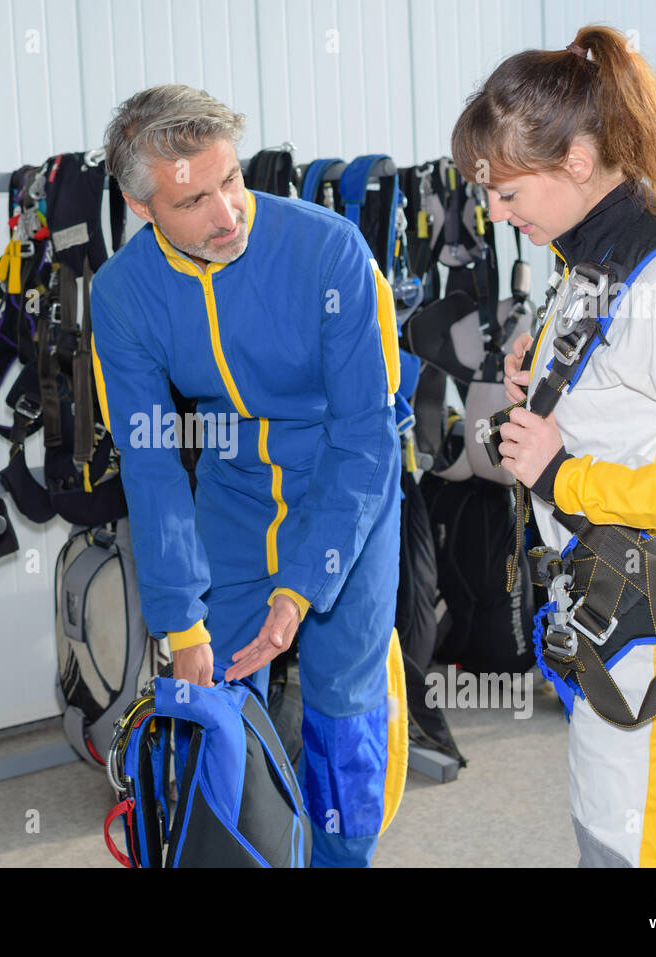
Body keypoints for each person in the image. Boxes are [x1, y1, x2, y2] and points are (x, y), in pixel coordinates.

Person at [451, 25, 656, 867]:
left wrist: (568, 472)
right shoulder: (592, 259)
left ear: (579, 161)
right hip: (611, 621)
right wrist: (549, 392)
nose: (495, 212)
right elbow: (630, 408)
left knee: (641, 851)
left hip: (652, 630)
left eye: (507, 193)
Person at [90, 84, 405, 867]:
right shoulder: (121, 296)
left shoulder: (331, 250)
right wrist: (179, 623)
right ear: (141, 207)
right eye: (193, 199)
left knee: (343, 716)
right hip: (232, 499)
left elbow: (366, 438)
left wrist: (303, 586)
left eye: (229, 180)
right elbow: (152, 461)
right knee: (209, 710)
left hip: (346, 497)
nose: (226, 215)